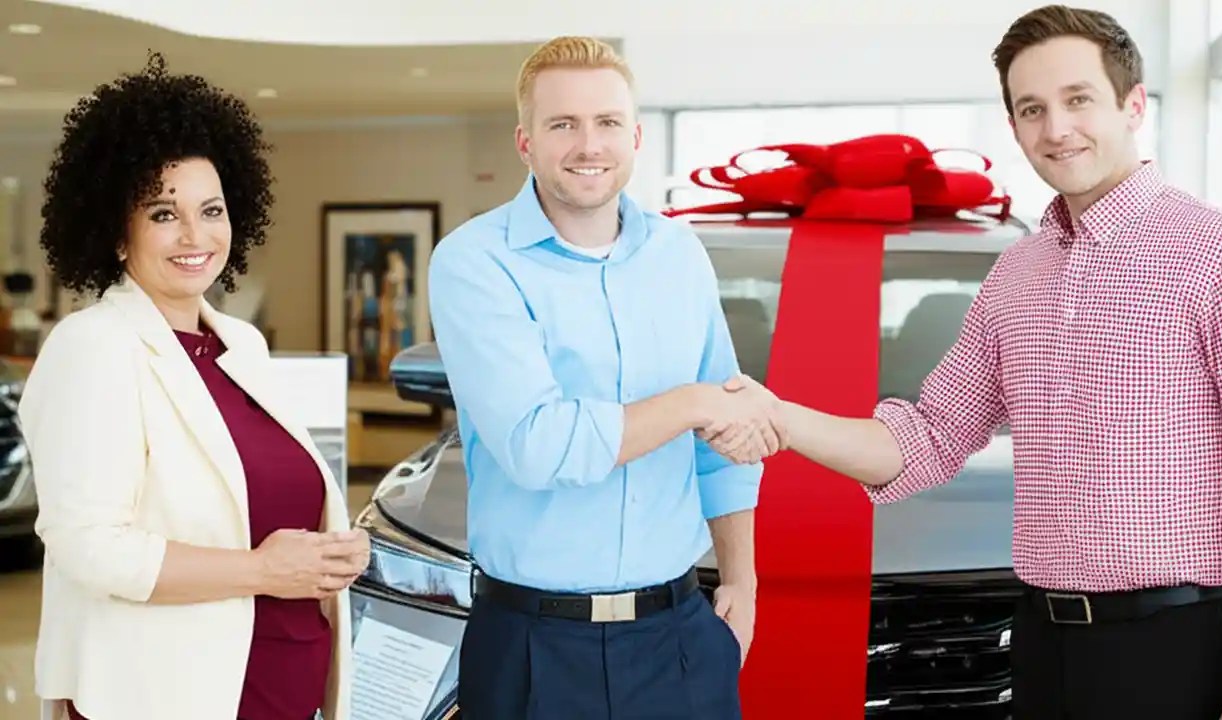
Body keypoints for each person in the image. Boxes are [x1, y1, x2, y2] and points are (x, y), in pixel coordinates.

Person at [709, 5, 1222, 719]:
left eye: (1078, 100)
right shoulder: (1015, 275)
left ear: (1133, 105)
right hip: (1041, 645)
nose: (1056, 128)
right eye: (1032, 108)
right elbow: (927, 438)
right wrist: (779, 415)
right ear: (1013, 127)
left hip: (1175, 646)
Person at [427, 36, 781, 720]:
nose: (588, 144)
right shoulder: (474, 264)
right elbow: (540, 445)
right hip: (532, 646)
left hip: (680, 634)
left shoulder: (681, 255)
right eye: (563, 124)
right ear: (525, 141)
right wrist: (690, 403)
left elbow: (726, 434)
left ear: (636, 135)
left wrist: (742, 578)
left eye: (607, 122)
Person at [19, 52, 368, 720]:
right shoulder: (92, 347)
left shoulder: (241, 344)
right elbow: (90, 546)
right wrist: (266, 570)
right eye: (161, 213)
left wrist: (330, 550)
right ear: (115, 233)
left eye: (211, 210)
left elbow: (264, 501)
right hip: (163, 696)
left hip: (282, 685)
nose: (194, 235)